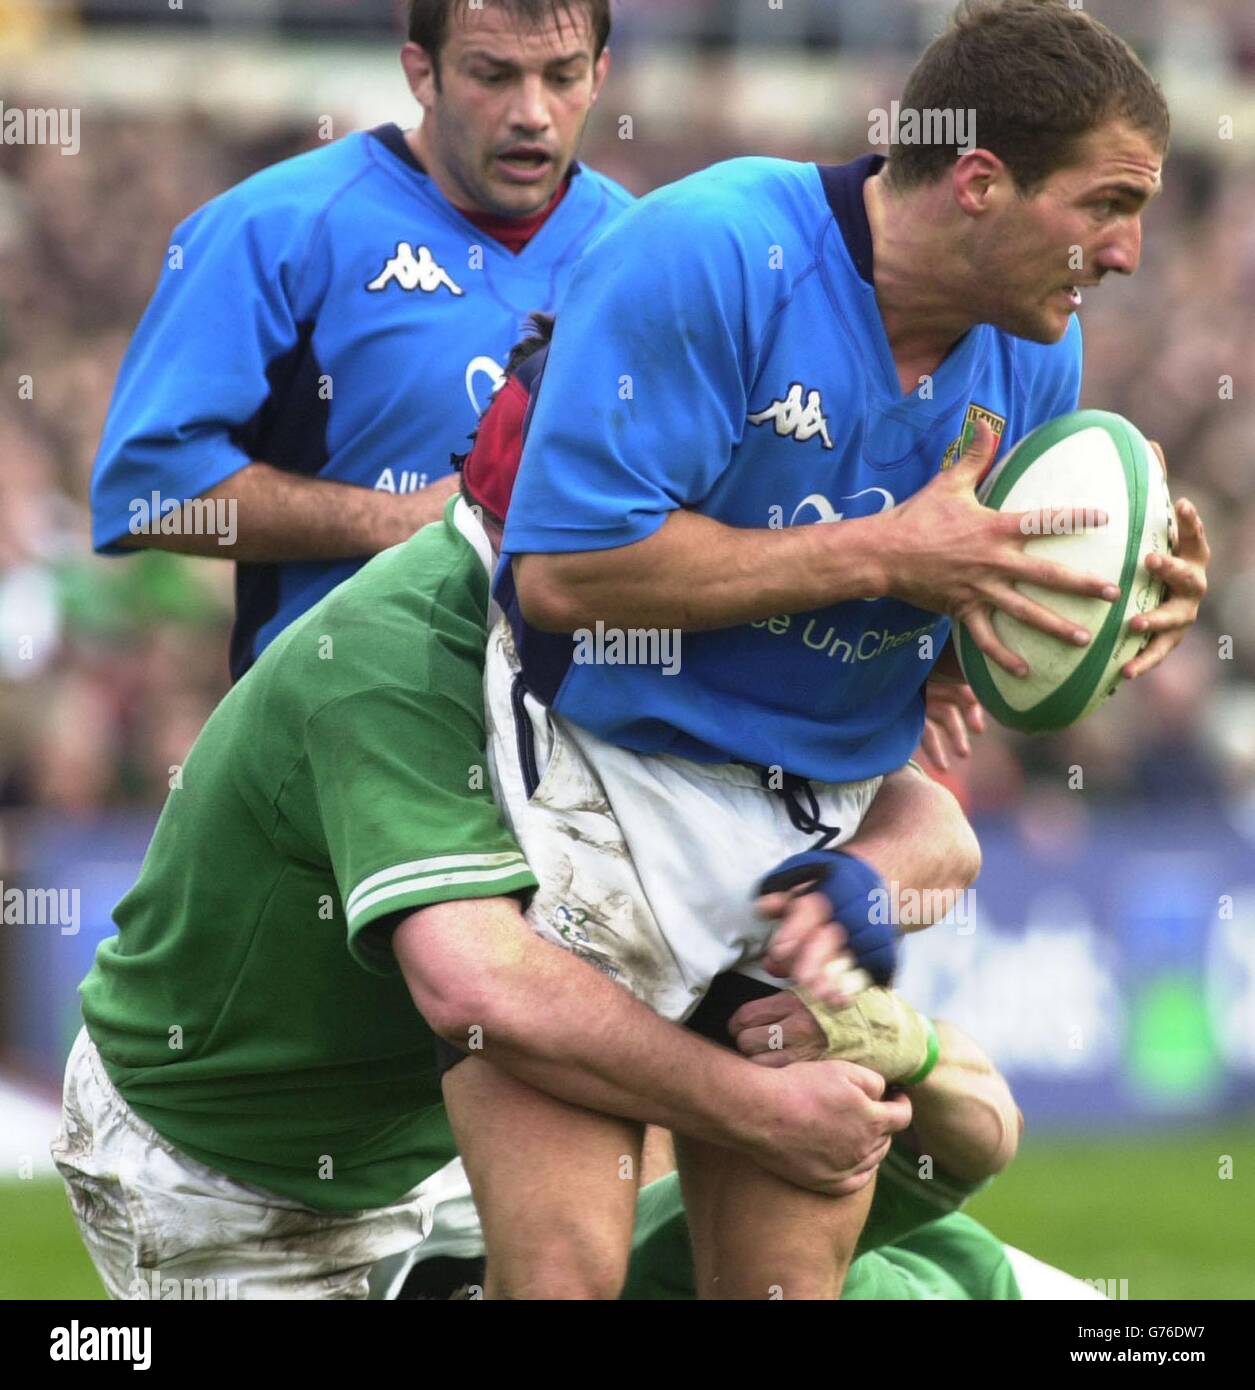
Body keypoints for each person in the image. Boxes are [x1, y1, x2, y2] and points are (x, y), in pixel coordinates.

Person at [462, 0, 1211, 1300]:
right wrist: (886, 557)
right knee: (563, 1280)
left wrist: (1102, 616)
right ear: (978, 179)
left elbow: (958, 660)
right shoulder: (714, 250)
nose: (1128, 250)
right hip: (591, 800)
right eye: (1104, 203)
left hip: (803, 873)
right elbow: (566, 575)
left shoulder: (1033, 358)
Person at [55, 334, 1001, 1299]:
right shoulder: (389, 661)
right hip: (241, 1178)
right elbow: (479, 992)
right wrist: (755, 1110)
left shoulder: (637, 609)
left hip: (443, 1137)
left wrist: (861, 887)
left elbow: (936, 829)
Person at [89, 0, 631, 680]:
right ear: (421, 74)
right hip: (339, 716)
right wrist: (399, 520)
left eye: (561, 76)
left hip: (572, 749)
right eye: (492, 75)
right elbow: (146, 499)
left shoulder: (645, 252)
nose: (531, 112)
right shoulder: (276, 226)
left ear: (599, 74)